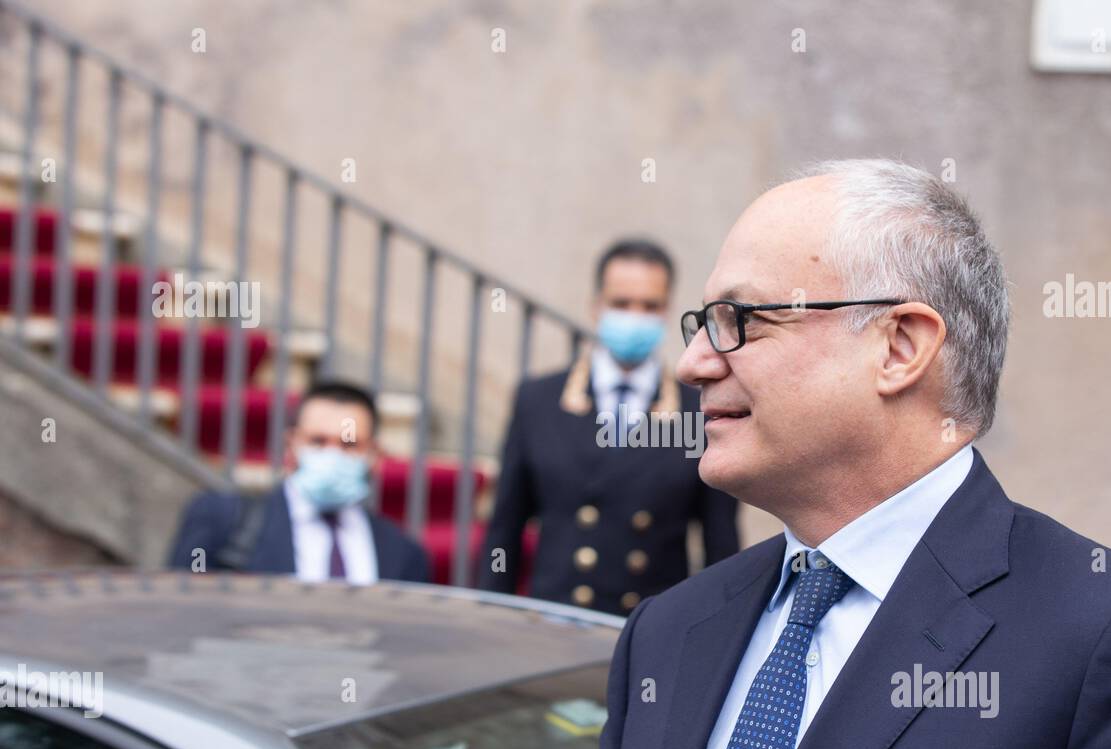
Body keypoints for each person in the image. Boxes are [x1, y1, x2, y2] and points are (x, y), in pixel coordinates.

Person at [567, 159, 1111, 749]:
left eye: (739, 320)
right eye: (701, 323)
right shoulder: (666, 632)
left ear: (900, 347)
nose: (691, 362)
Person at [479, 238, 739, 615]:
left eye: (649, 306)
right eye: (621, 304)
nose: (635, 316)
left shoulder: (699, 409)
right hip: (556, 622)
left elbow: (720, 541)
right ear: (596, 306)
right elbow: (505, 527)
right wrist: (492, 612)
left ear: (666, 311)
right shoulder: (538, 400)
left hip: (650, 625)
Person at [168, 380, 429, 584]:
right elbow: (182, 611)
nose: (332, 455)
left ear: (373, 453)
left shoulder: (402, 553)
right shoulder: (223, 522)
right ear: (291, 445)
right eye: (318, 441)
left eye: (349, 444)